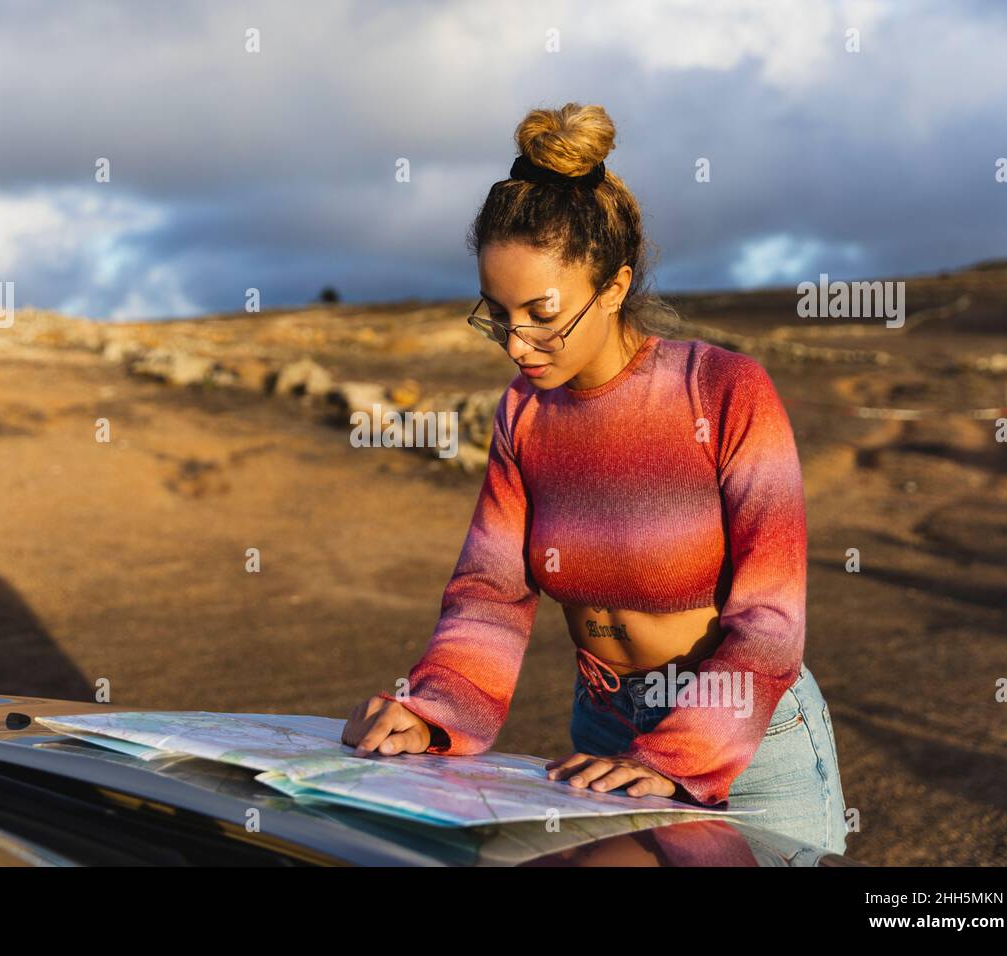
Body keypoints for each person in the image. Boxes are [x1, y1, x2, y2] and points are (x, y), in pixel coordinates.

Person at [342, 102, 847, 854]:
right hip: (605, 728)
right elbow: (494, 591)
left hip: (744, 737)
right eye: (498, 315)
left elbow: (770, 619)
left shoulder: (724, 390)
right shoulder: (523, 413)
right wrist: (435, 710)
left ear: (612, 287)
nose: (517, 344)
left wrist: (678, 756)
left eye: (542, 314)